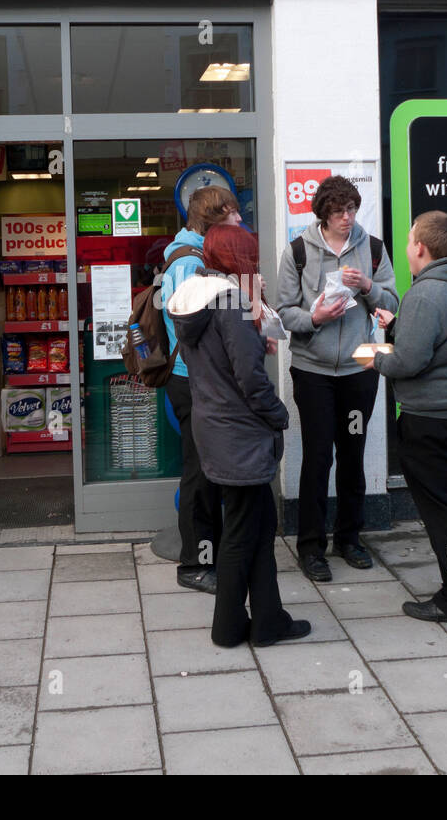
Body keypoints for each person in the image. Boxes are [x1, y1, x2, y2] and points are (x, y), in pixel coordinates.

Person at [168, 225, 311, 647]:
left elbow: (221, 361)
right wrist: (279, 414)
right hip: (240, 433)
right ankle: (228, 627)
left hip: (216, 428)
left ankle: (268, 619)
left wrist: (254, 336)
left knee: (258, 525)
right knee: (242, 532)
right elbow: (249, 379)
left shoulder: (200, 297)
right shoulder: (231, 302)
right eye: (254, 257)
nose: (259, 265)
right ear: (240, 259)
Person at [357, 210, 447, 625]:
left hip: (434, 420)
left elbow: (409, 362)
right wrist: (399, 324)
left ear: (420, 246)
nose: (405, 246)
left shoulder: (426, 292)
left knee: (442, 511)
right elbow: (445, 340)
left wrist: (373, 359)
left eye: (408, 239)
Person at [276, 175, 398, 582]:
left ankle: (350, 537)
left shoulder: (373, 247)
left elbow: (393, 301)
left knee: (353, 452)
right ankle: (311, 546)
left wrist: (367, 286)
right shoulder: (297, 251)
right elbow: (282, 312)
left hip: (360, 367)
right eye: (339, 212)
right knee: (317, 457)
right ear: (323, 214)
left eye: (352, 210)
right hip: (312, 370)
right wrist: (313, 318)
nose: (347, 218)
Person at [161, 186, 242, 594]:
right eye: (232, 215)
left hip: (194, 378)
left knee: (205, 470)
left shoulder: (192, 256)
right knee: (199, 472)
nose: (240, 221)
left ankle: (206, 554)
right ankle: (195, 562)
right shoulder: (190, 263)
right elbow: (194, 330)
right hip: (192, 379)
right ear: (213, 222)